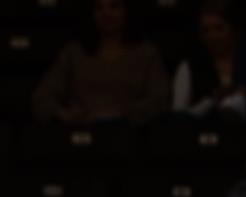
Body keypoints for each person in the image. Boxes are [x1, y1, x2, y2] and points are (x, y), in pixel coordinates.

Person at [31, 0, 168, 125]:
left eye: (114, 6)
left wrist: (130, 114)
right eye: (99, 8)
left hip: (130, 134)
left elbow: (160, 96)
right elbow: (43, 96)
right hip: (82, 134)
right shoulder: (74, 53)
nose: (106, 13)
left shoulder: (146, 53)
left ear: (127, 11)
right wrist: (62, 114)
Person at [169, 0, 246, 126]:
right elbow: (178, 118)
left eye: (219, 28)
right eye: (206, 30)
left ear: (233, 29)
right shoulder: (188, 67)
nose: (212, 36)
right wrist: (211, 101)